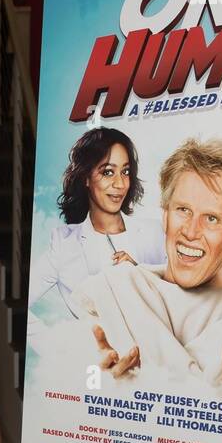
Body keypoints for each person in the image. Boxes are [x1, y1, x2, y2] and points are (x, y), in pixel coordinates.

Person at [76, 138, 222, 414]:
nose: (190, 231)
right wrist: (94, 383)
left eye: (211, 218)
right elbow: (63, 398)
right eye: (183, 210)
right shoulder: (113, 292)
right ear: (165, 216)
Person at [28, 128, 166, 316]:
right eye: (108, 172)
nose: (120, 184)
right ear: (86, 177)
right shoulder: (64, 243)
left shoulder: (155, 233)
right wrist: (54, 343)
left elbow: (181, 298)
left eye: (125, 171)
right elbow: (24, 299)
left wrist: (140, 274)